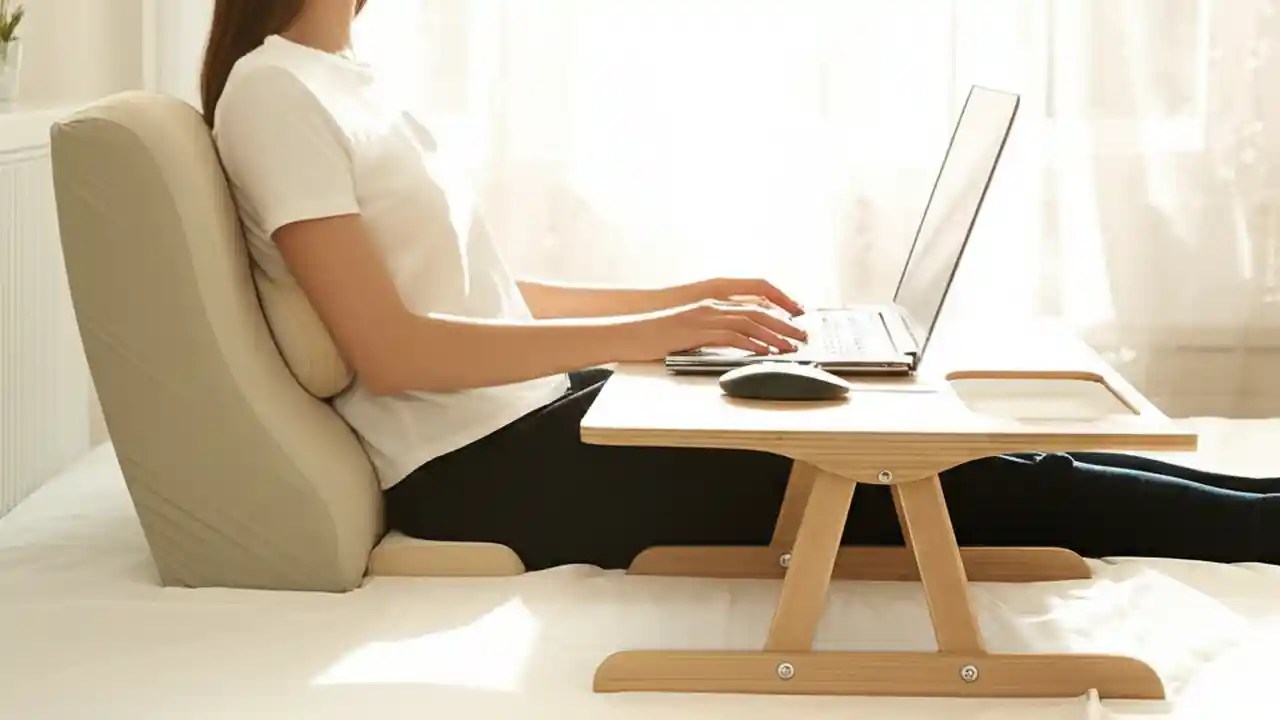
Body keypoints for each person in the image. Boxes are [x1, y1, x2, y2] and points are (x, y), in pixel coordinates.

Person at [203, 0, 1280, 571]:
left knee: (928, 443)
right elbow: (394, 351)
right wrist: (653, 333)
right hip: (475, 469)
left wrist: (682, 301)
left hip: (534, 415)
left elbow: (481, 292)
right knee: (919, 483)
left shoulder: (352, 81)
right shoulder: (274, 91)